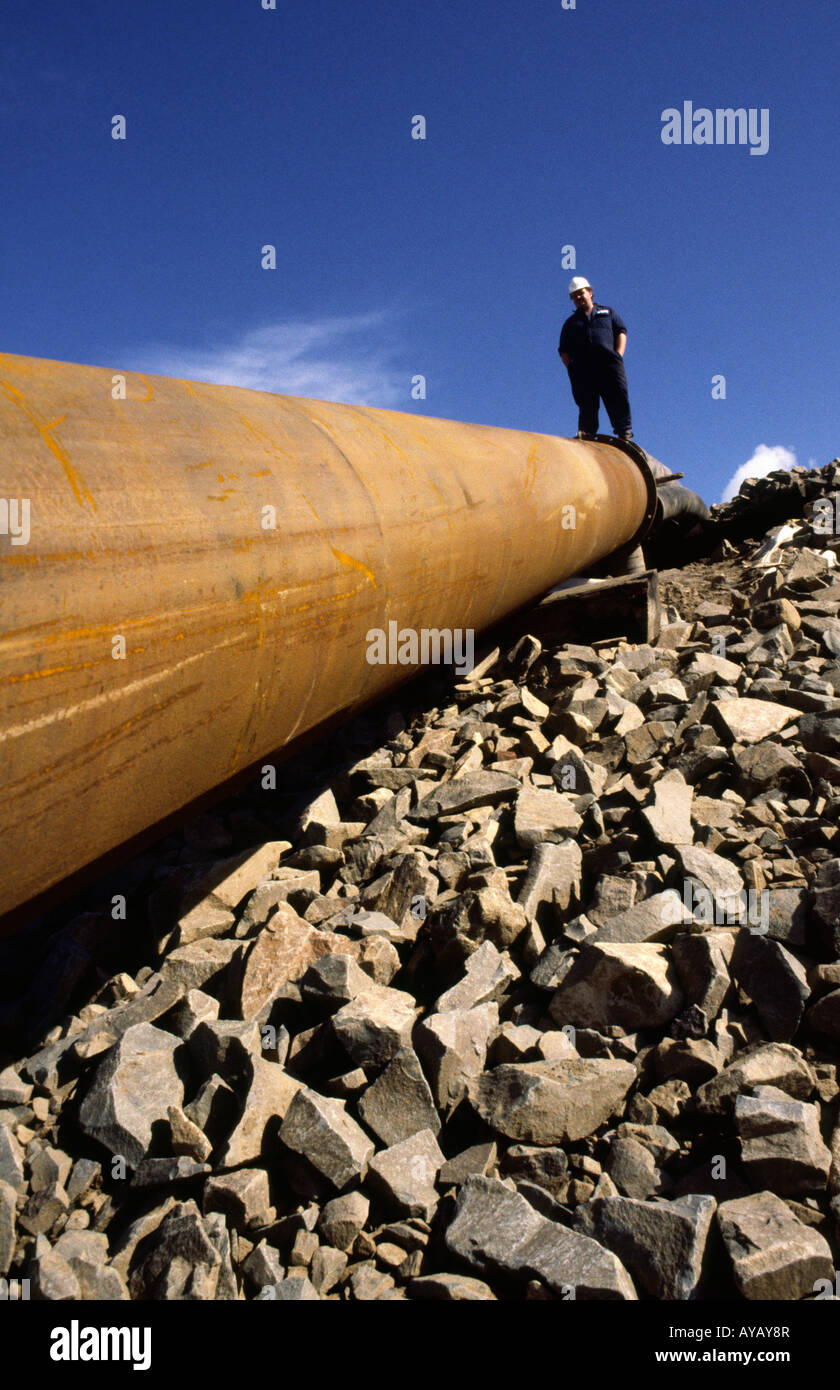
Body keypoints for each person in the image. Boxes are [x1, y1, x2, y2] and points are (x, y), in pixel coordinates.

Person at [558, 277, 633, 440]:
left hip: (608, 364)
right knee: (587, 404)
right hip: (583, 369)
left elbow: (621, 331)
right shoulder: (571, 323)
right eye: (574, 296)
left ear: (590, 293)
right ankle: (586, 434)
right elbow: (564, 350)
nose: (578, 297)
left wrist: (618, 355)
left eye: (580, 293)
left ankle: (624, 433)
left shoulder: (607, 313)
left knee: (617, 396)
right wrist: (572, 368)